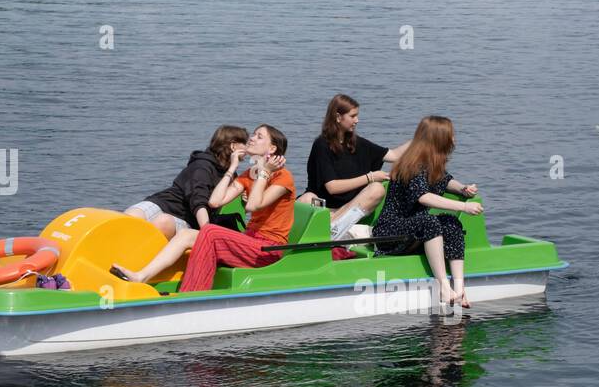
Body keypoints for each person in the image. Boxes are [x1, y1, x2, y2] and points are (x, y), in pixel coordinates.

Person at [111, 125, 294, 292]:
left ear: (272, 149)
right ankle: (141, 276)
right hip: (249, 240)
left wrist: (264, 172)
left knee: (210, 232)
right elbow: (215, 201)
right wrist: (233, 167)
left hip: (268, 249)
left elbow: (253, 205)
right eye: (253, 134)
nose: (252, 138)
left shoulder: (283, 177)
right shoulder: (248, 175)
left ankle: (192, 293)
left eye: (259, 136)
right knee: (186, 235)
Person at [372, 116, 481, 308]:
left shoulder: (432, 163)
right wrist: (464, 206)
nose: (454, 140)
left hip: (414, 230)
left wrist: (463, 188)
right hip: (390, 233)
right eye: (451, 135)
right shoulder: (412, 165)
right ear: (440, 138)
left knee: (450, 223)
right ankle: (443, 287)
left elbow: (445, 181)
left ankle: (460, 287)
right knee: (428, 222)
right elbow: (424, 197)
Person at [302, 94, 410, 240]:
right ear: (338, 117)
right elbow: (332, 187)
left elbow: (394, 155)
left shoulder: (357, 143)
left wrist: (420, 138)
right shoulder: (322, 145)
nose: (357, 120)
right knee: (307, 198)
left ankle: (332, 228)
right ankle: (334, 228)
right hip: (324, 208)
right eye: (352, 116)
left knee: (377, 189)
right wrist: (370, 177)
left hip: (349, 208)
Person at [123, 125, 249, 238]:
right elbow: (198, 200)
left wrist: (243, 199)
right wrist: (207, 231)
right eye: (245, 143)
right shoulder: (202, 166)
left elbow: (223, 202)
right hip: (164, 203)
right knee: (130, 217)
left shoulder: (230, 175)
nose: (248, 148)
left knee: (162, 222)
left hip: (185, 218)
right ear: (233, 146)